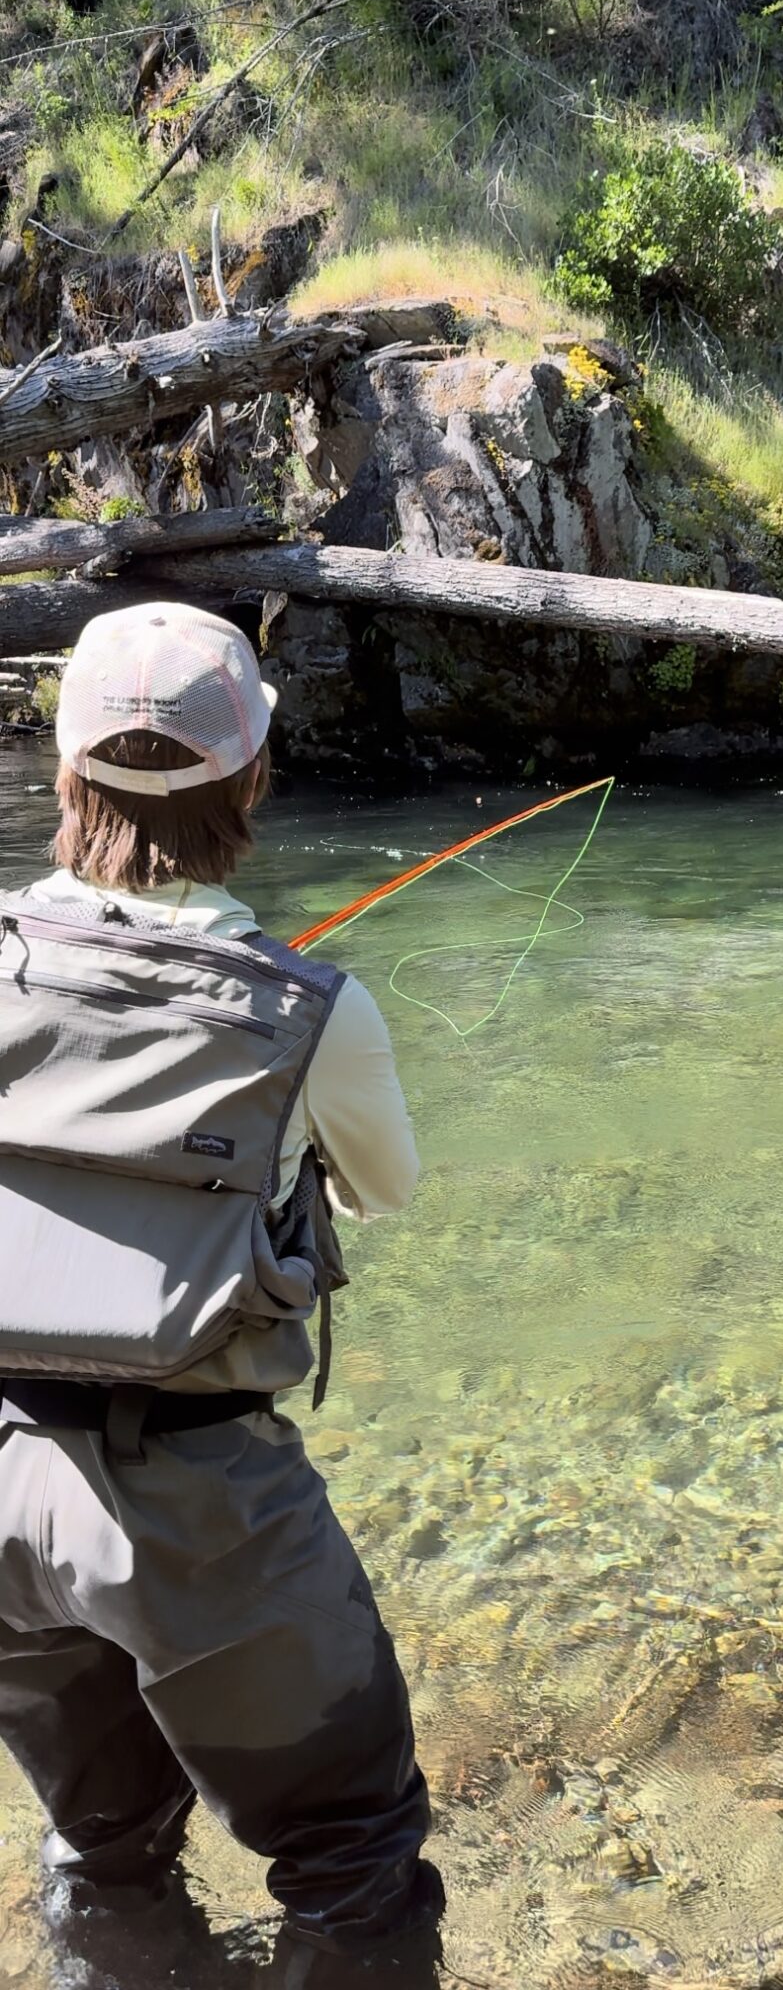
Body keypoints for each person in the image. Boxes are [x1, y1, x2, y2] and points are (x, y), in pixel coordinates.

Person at [0, 601, 442, 1984]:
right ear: (252, 776)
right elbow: (383, 1196)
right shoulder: (315, 1009)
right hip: (196, 1505)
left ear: (62, 772)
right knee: (353, 1860)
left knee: (104, 1842)